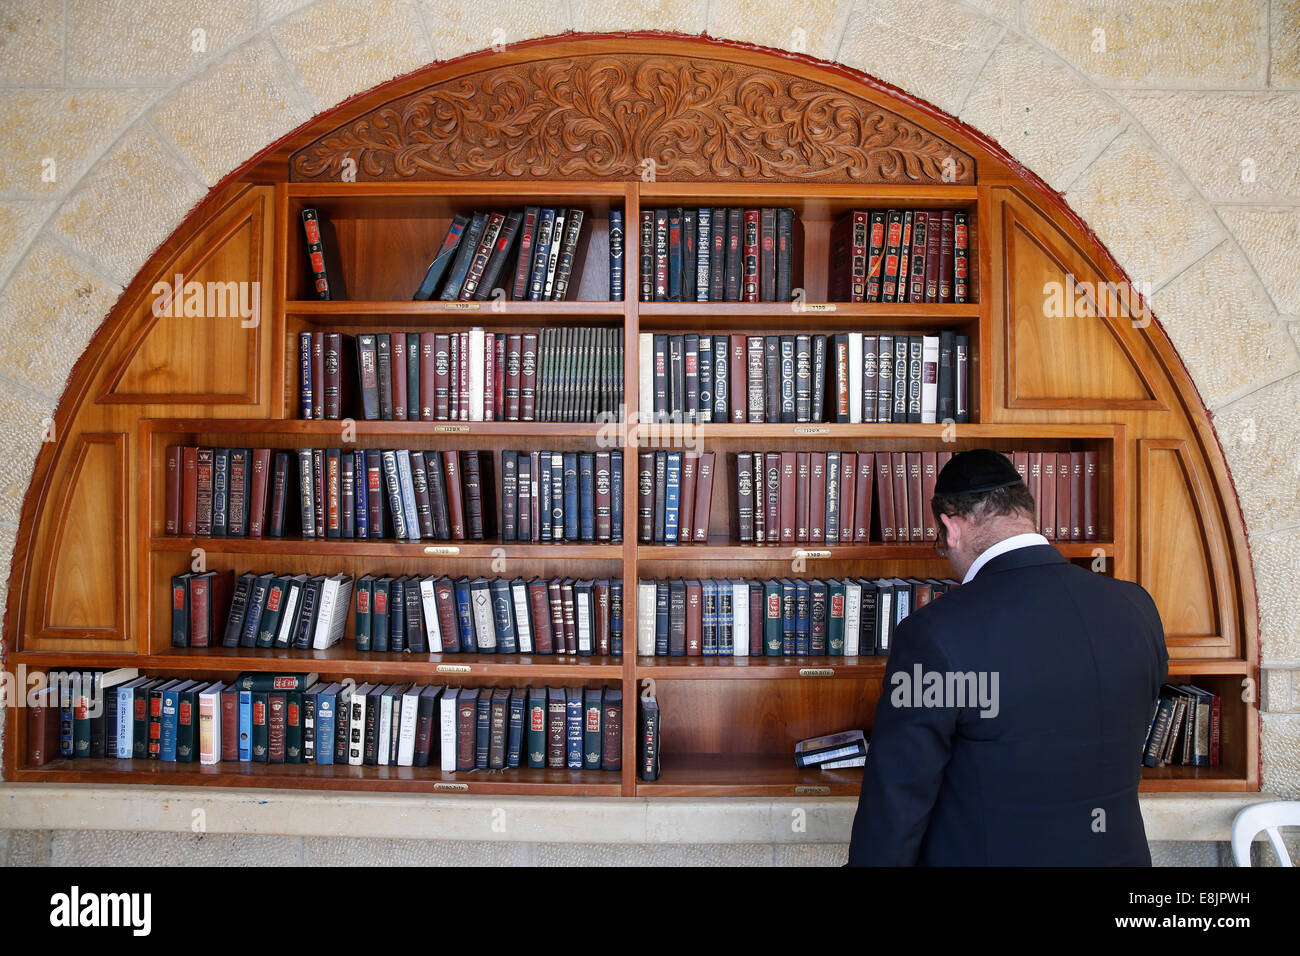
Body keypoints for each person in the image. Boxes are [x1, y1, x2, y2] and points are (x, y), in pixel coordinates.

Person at [846, 448, 1168, 866]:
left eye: (940, 544)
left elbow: (897, 796)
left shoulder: (933, 634)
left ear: (951, 526)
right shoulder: (1136, 607)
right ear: (1025, 514)